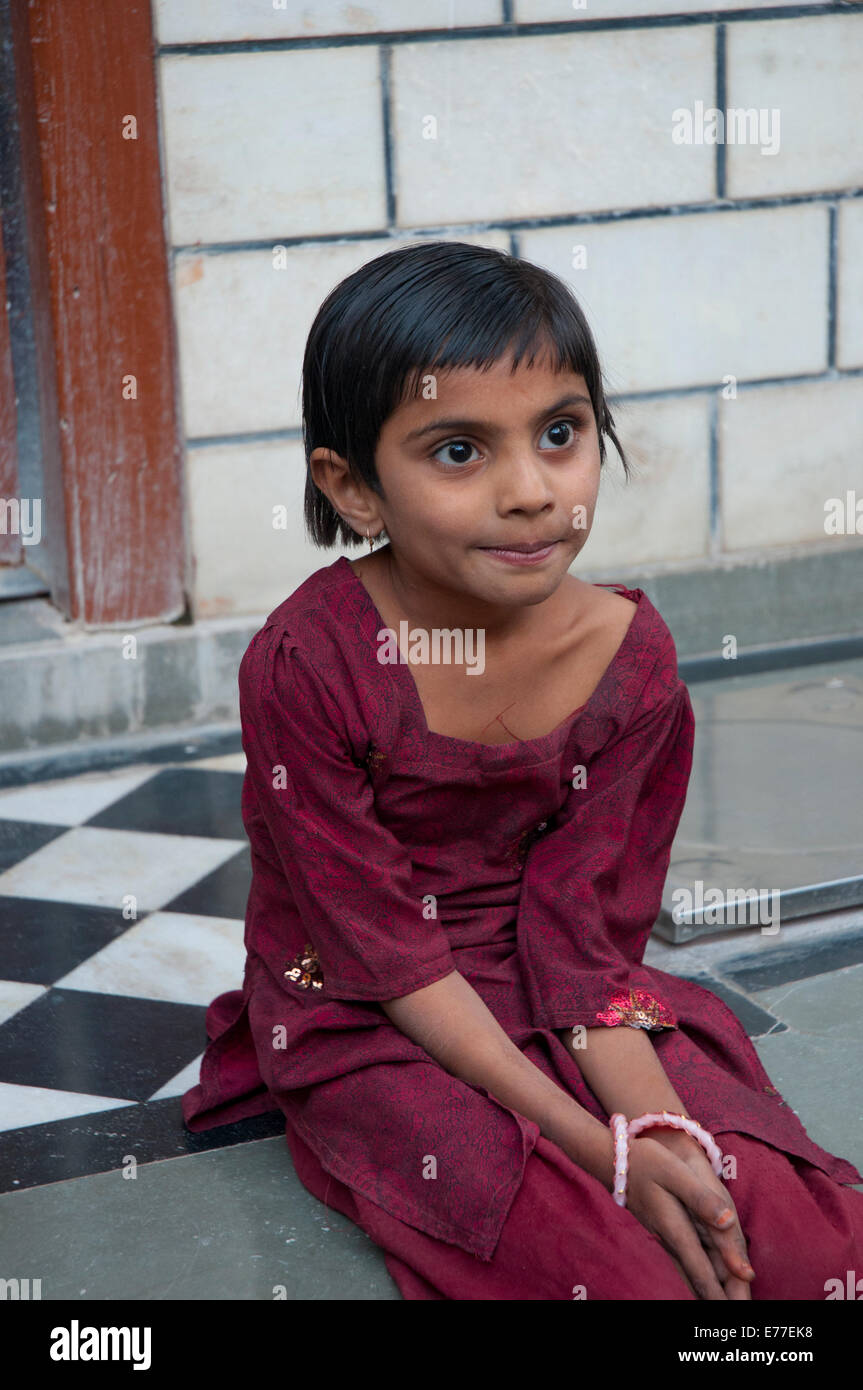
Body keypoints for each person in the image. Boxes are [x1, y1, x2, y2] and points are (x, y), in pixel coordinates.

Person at [183, 240, 863, 1301]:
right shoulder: (308, 663)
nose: (530, 492)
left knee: (797, 1250)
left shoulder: (628, 657)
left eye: (560, 433)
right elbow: (389, 958)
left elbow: (584, 947)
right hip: (366, 1007)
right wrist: (603, 1160)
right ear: (353, 486)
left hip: (566, 993)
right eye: (458, 451)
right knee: (629, 1283)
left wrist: (648, 1130)